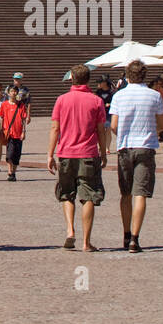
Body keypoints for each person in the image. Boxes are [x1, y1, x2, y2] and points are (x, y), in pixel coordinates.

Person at [47, 64, 108, 253]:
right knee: (88, 196)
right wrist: (104, 152)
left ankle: (70, 230)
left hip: (65, 153)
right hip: (88, 153)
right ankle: (86, 242)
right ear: (88, 79)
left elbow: (55, 128)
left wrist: (50, 154)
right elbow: (100, 130)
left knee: (67, 193)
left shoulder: (62, 100)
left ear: (72, 78)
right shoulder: (96, 101)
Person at [109, 59, 163, 251]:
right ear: (144, 75)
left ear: (127, 75)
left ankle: (125, 234)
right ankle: (135, 238)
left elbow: (114, 125)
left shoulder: (119, 96)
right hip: (146, 147)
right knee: (140, 193)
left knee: (125, 194)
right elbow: (162, 125)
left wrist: (124, 134)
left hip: (125, 148)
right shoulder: (155, 96)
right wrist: (152, 130)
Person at [0, 87, 27, 181]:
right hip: (9, 133)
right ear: (8, 93)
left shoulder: (21, 105)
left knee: (17, 154)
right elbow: (1, 118)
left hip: (18, 133)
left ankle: (13, 172)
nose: (13, 93)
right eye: (12, 91)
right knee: (9, 154)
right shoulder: (4, 105)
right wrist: (1, 130)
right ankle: (9, 171)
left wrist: (23, 131)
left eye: (15, 91)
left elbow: (23, 119)